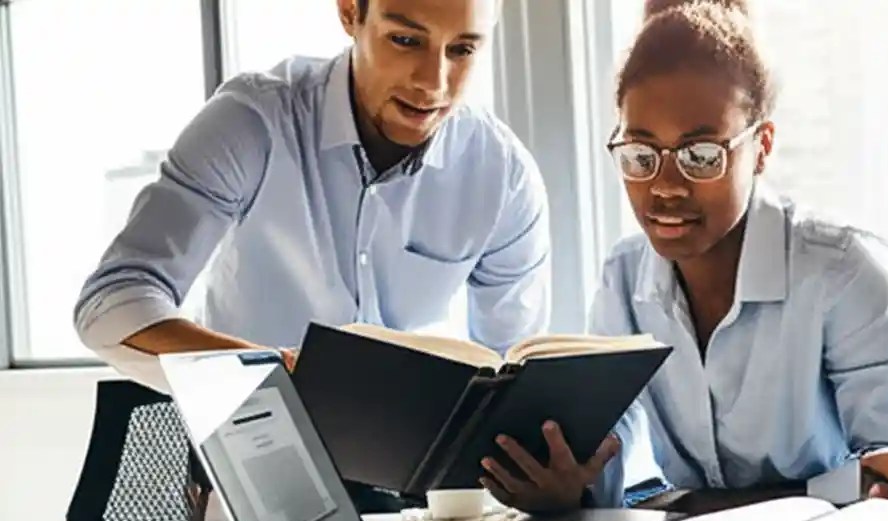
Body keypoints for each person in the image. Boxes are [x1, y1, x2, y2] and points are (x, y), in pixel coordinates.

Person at [480, 0, 888, 516]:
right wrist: (567, 487)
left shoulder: (846, 273)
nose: (666, 187)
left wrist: (687, 503)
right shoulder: (625, 282)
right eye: (640, 154)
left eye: (701, 156)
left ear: (762, 146)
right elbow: (607, 475)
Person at [74, 0, 548, 391]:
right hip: (260, 450)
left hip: (421, 484)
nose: (433, 82)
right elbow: (112, 302)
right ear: (349, 13)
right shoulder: (252, 123)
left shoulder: (502, 173)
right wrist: (276, 371)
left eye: (462, 50)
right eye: (406, 40)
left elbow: (516, 365)